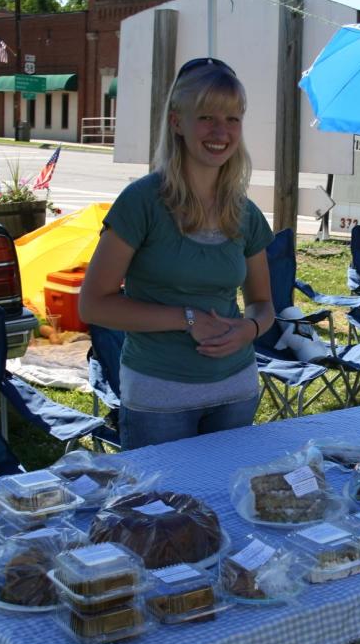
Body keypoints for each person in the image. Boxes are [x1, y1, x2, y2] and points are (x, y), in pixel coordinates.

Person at [78, 58, 274, 450]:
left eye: (233, 119)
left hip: (237, 390)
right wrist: (187, 319)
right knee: (160, 509)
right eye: (206, 117)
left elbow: (264, 303)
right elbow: (93, 305)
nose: (221, 131)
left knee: (229, 505)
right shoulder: (141, 203)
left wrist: (249, 329)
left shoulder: (244, 211)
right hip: (159, 398)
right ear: (176, 122)